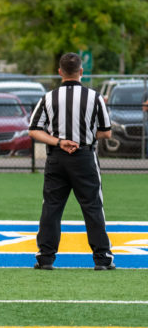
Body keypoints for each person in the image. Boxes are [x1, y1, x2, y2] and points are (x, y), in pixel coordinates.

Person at [28, 52, 115, 271]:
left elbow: (34, 130)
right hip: (84, 157)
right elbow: (106, 133)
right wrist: (81, 139)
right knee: (93, 206)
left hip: (57, 158)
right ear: (81, 72)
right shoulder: (94, 97)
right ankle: (102, 258)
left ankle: (45, 258)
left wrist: (59, 142)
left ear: (60, 72)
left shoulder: (48, 97)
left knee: (52, 207)